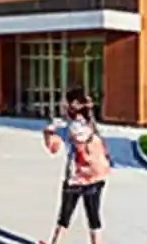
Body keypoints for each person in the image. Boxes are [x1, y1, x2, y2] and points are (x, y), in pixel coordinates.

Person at [40, 89, 112, 244]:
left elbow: (53, 148)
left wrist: (48, 132)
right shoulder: (92, 125)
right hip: (96, 176)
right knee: (93, 216)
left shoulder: (69, 128)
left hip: (76, 177)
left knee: (65, 215)